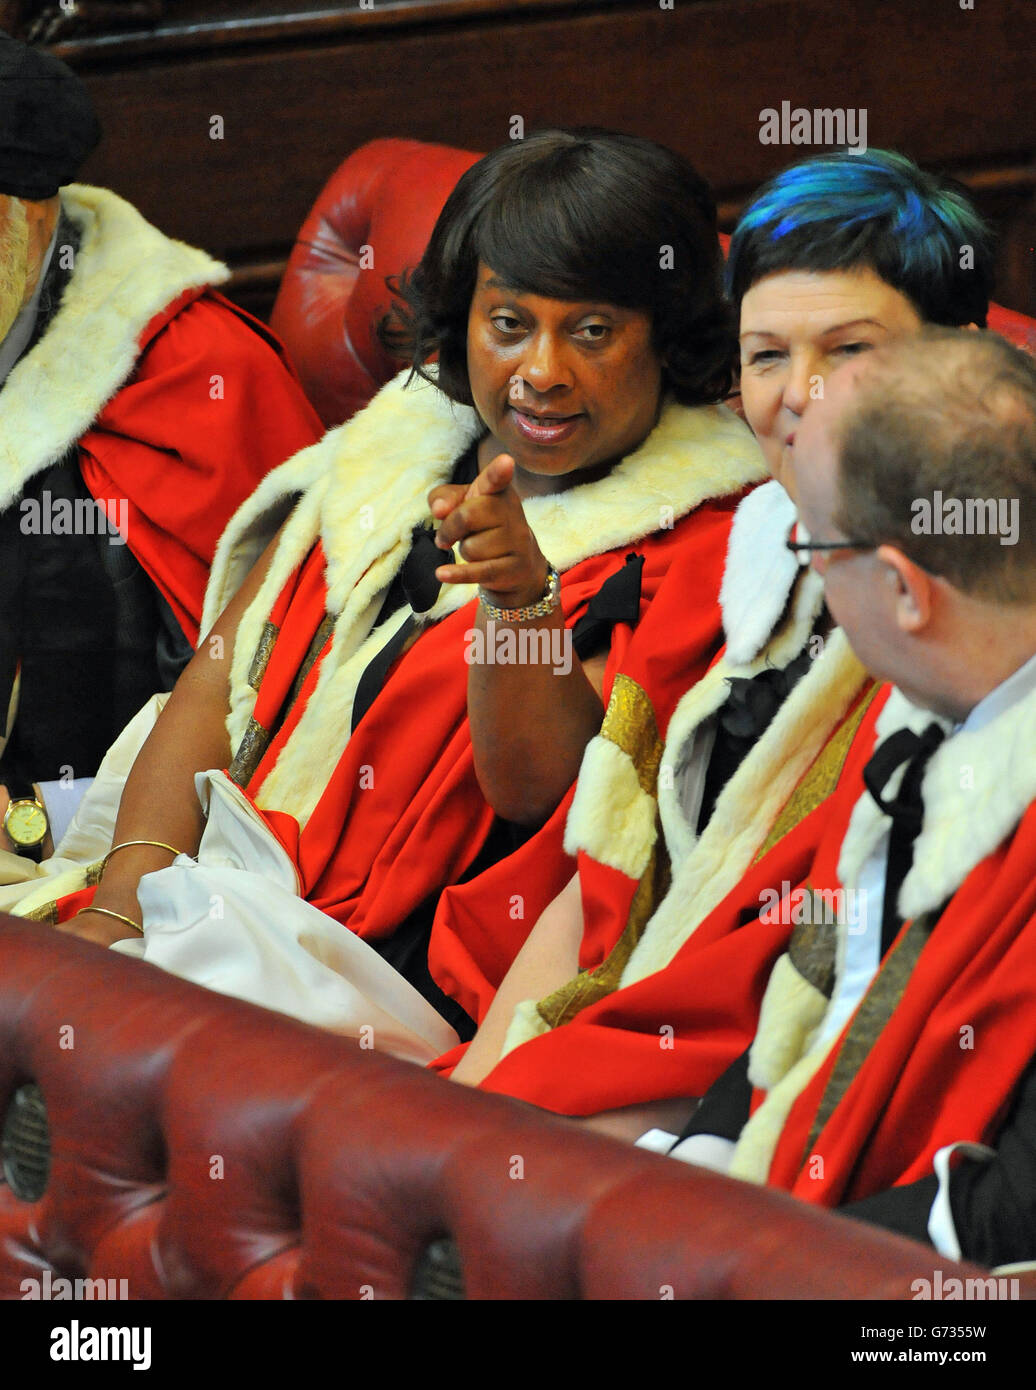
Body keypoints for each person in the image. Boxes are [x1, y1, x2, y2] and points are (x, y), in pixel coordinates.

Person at [24, 129, 765, 1056]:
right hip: (204, 895)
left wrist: (518, 600)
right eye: (510, 324)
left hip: (389, 981)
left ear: (669, 338)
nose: (543, 371)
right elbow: (216, 682)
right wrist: (122, 909)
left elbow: (538, 793)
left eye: (592, 332)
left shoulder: (704, 541)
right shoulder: (390, 449)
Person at [446, 148, 999, 1110]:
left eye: (849, 352)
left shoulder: (985, 620)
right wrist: (478, 1095)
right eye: (768, 355)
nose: (800, 395)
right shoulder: (737, 556)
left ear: (966, 361)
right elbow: (600, 867)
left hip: (796, 1073)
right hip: (624, 1029)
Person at [659, 329, 1036, 1265]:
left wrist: (733, 1258)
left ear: (905, 591)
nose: (809, 569)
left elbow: (1014, 1212)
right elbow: (816, 982)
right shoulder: (924, 716)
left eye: (816, 545)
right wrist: (693, 1169)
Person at [0, 32, 322, 866]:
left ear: (28, 218)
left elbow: (261, 734)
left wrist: (34, 818)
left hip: (98, 858)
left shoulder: (201, 377)